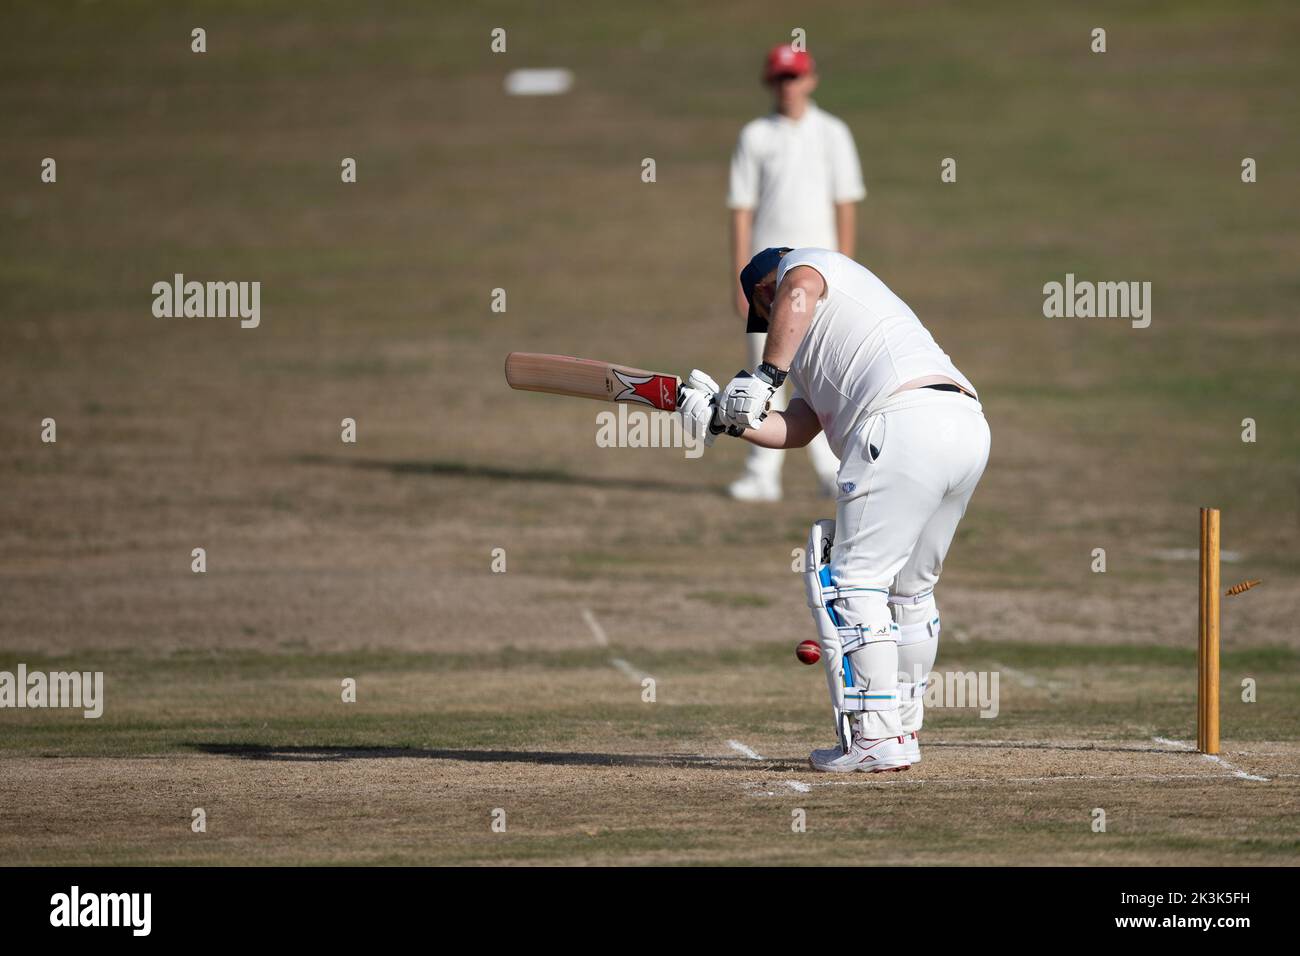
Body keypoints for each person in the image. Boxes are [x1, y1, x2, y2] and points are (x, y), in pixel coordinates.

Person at [678, 248, 990, 772]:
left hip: (901, 425)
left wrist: (764, 377)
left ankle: (876, 738)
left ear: (763, 293)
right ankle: (902, 726)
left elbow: (797, 288)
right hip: (963, 425)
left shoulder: (806, 268)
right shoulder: (833, 334)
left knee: (853, 582)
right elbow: (798, 428)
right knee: (911, 590)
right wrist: (726, 420)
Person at [726, 44, 866, 501]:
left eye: (795, 77)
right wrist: (737, 277)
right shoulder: (755, 137)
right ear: (771, 83)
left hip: (821, 272)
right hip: (766, 274)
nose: (788, 87)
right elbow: (741, 210)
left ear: (810, 80)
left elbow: (845, 202)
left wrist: (846, 269)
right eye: (780, 79)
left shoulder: (833, 133)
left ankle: (835, 470)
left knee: (826, 372)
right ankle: (762, 472)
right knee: (763, 369)